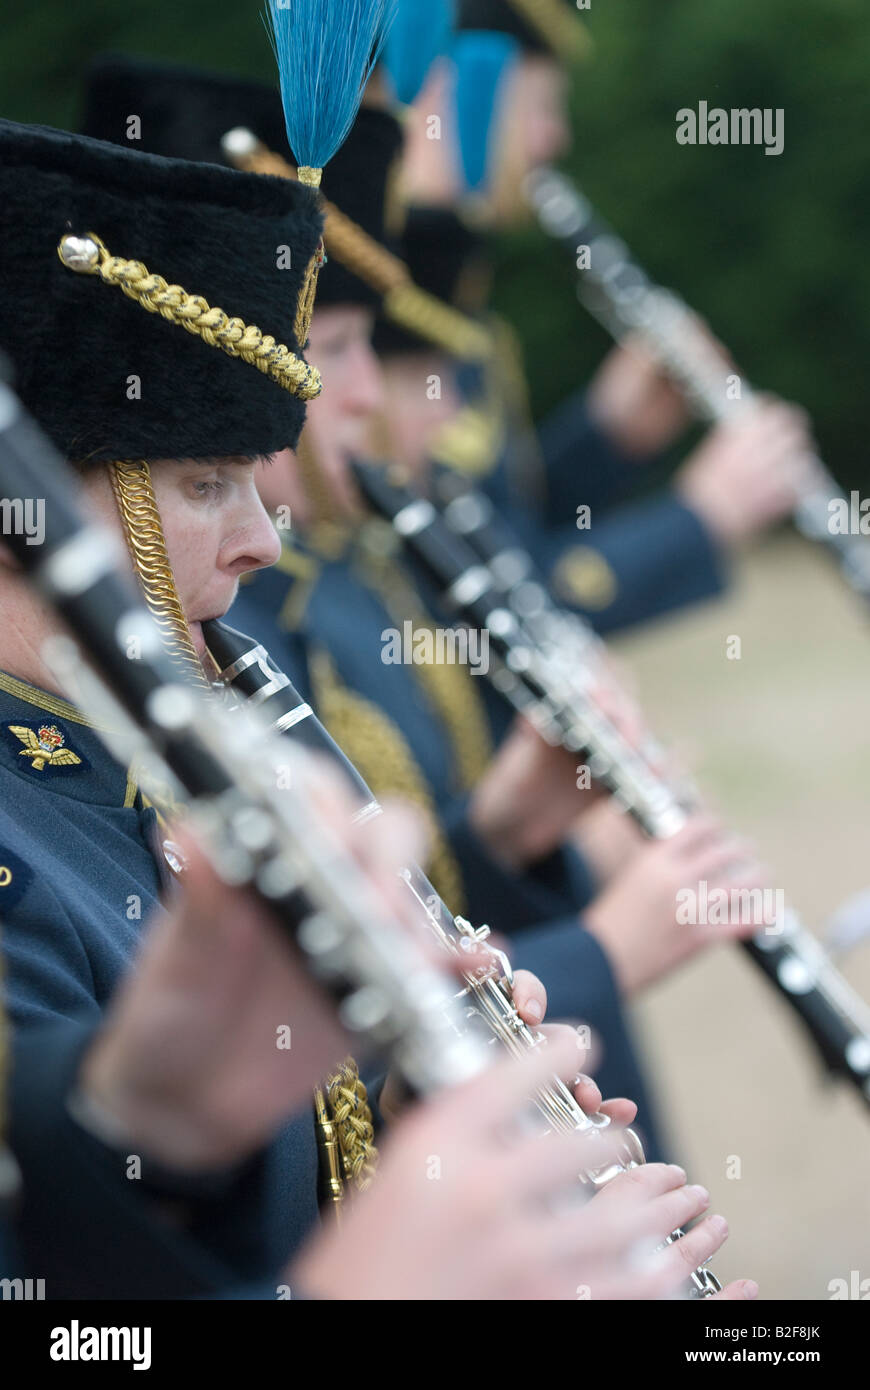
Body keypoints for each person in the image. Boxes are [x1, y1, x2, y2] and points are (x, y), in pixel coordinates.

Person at [395, 0, 817, 633]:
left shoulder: (461, 307)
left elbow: (504, 539)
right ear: (446, 91)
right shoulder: (370, 315)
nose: (554, 138)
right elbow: (466, 616)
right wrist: (701, 516)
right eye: (537, 107)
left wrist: (606, 438)